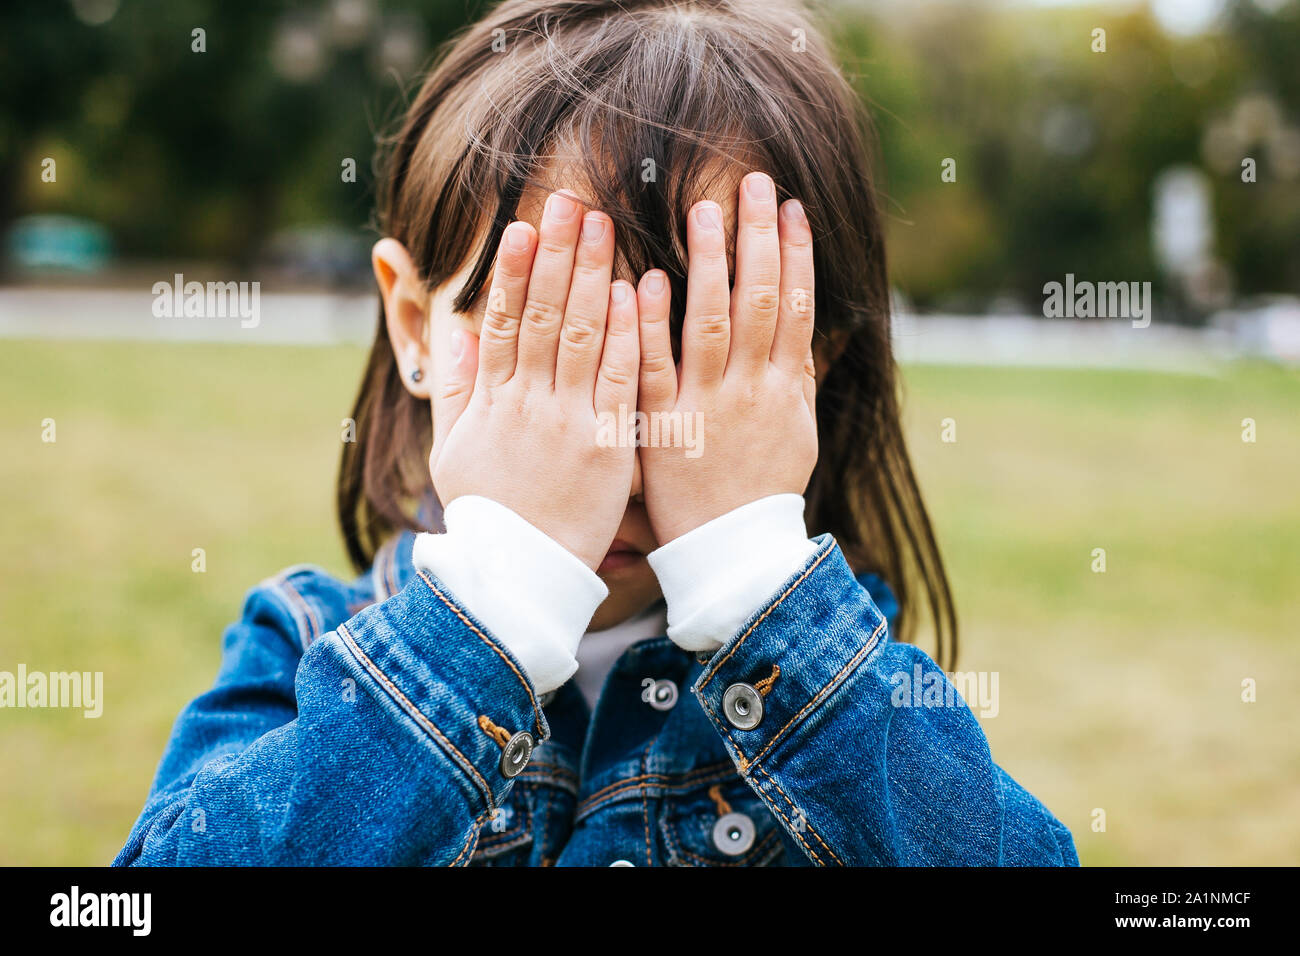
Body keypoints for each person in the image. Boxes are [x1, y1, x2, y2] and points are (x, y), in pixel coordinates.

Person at [115, 0, 1077, 866]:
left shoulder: (839, 679)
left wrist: (753, 584)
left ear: (805, 365)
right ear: (414, 328)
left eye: (694, 355)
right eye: (544, 344)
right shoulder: (304, 646)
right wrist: (493, 606)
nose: (606, 448)